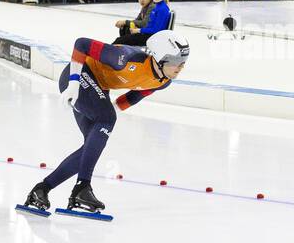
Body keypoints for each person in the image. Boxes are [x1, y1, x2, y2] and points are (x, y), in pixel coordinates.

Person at [22, 30, 190, 215]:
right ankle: (82, 187)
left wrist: (109, 113)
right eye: (176, 61)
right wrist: (74, 84)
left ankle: (42, 189)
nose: (180, 67)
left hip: (98, 88)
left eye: (183, 62)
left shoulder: (163, 82)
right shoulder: (125, 57)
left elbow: (133, 97)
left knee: (91, 146)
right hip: (79, 76)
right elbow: (82, 44)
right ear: (160, 57)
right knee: (106, 120)